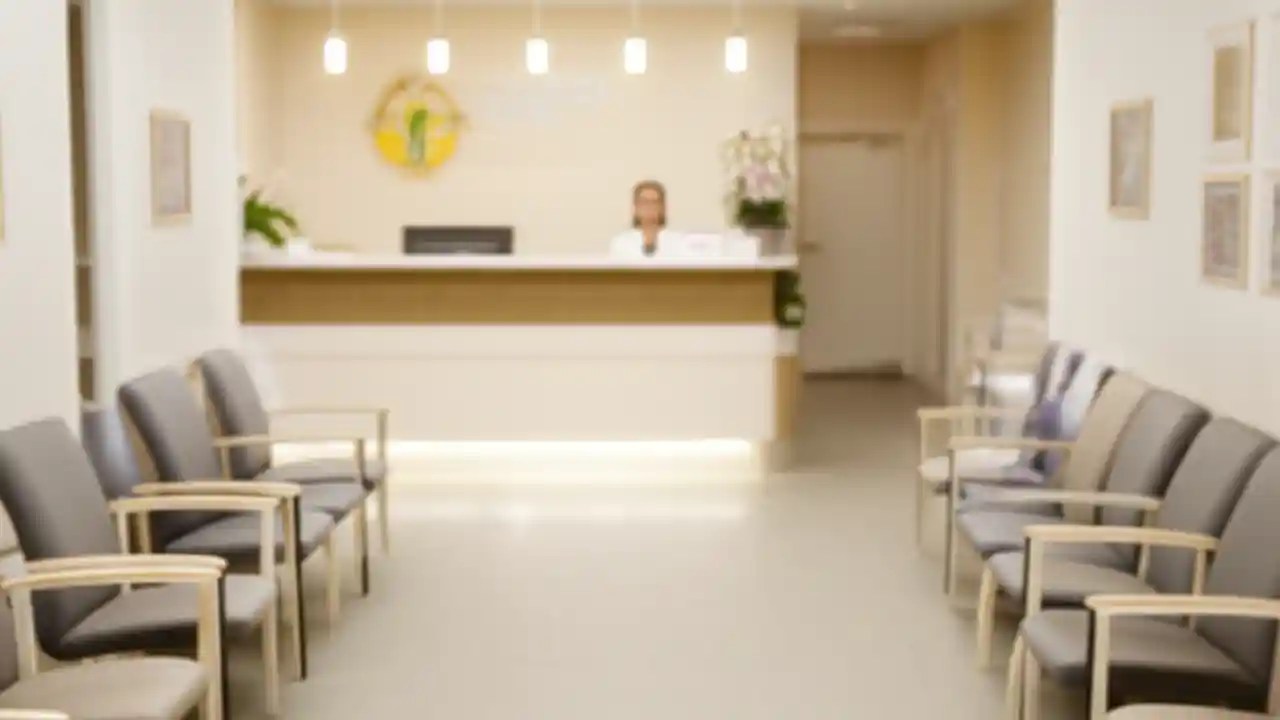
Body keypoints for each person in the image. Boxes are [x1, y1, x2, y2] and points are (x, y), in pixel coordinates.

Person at [610, 180, 681, 257]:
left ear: (663, 207)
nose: (649, 207)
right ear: (635, 207)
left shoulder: (678, 242)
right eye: (644, 202)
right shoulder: (621, 243)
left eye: (654, 202)